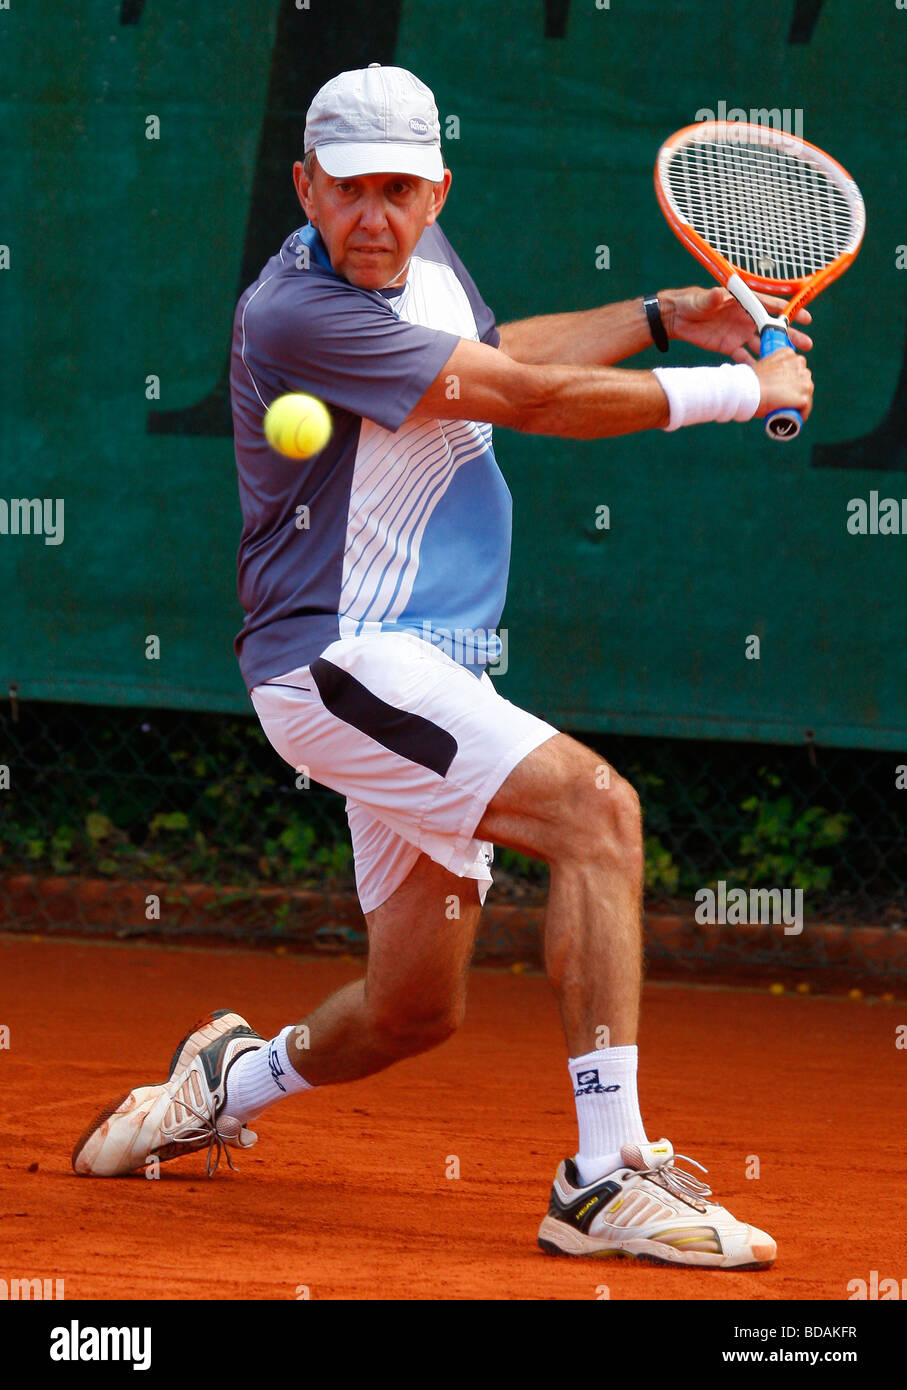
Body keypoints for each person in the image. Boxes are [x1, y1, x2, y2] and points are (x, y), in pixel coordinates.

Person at [73, 65, 812, 1268]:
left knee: (413, 1008)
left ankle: (219, 1083)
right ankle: (605, 1177)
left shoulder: (420, 257)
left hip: (430, 667)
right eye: (349, 189)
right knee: (597, 814)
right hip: (342, 658)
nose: (375, 216)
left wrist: (668, 315)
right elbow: (524, 396)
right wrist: (742, 389)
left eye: (400, 190)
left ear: (437, 188)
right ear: (304, 186)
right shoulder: (296, 310)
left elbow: (495, 348)